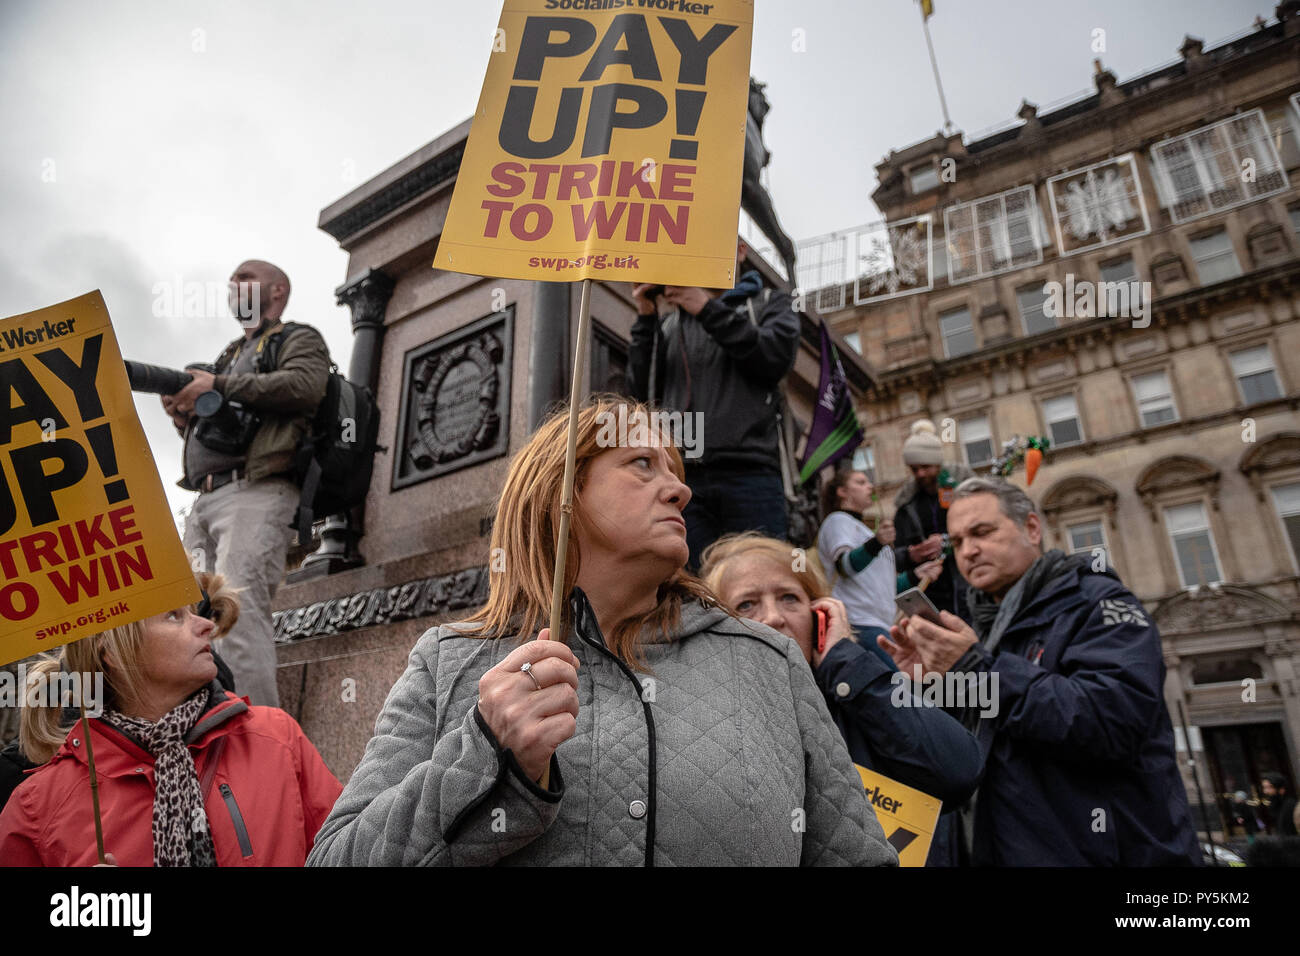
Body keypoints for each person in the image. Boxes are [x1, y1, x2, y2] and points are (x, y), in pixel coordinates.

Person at [306, 397, 896, 866]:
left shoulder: (768, 659)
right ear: (559, 491)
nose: (680, 488)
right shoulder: (449, 660)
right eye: (642, 464)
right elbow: (336, 858)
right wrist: (485, 753)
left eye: (675, 471)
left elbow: (859, 858)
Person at [882, 477, 1199, 866]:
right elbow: (963, 756)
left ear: (1032, 528)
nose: (970, 551)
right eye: (959, 542)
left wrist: (973, 668)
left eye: (982, 532)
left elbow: (1108, 723)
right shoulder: (975, 632)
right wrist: (931, 688)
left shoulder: (1099, 603)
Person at [0, 580, 342, 866]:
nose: (206, 625)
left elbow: (347, 852)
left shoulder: (277, 737)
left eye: (193, 611)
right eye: (174, 616)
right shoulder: (38, 806)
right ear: (114, 652)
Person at [699, 532, 981, 866]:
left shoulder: (858, 693)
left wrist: (845, 663)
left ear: (821, 615)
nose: (775, 618)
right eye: (747, 605)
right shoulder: (705, 727)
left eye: (790, 598)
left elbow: (958, 772)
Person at [163, 259, 330, 707]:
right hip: (205, 497)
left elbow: (305, 386)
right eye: (231, 280)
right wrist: (187, 412)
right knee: (189, 618)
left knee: (237, 615)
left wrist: (216, 384)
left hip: (257, 491)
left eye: (246, 277)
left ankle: (260, 743)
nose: (234, 285)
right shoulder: (231, 353)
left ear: (278, 290)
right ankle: (205, 723)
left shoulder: (298, 338)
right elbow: (227, 424)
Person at [627, 240, 801, 568]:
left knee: (758, 577)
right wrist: (646, 317)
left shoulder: (770, 302)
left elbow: (774, 359)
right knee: (689, 589)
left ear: (741, 251)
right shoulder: (670, 324)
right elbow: (639, 396)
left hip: (750, 474)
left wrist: (706, 309)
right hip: (682, 477)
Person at [817, 465, 944, 668]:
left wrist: (916, 574)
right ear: (842, 492)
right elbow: (846, 567)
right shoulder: (838, 521)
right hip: (859, 623)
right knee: (902, 692)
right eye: (861, 482)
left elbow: (888, 588)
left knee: (905, 690)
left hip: (881, 624)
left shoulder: (865, 531)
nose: (870, 486)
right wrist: (877, 542)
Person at [891, 420, 974, 621]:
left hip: (969, 586)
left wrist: (949, 541)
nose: (921, 474)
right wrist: (913, 555)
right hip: (930, 595)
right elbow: (893, 557)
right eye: (914, 469)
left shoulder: (963, 492)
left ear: (938, 464)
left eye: (926, 467)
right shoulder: (906, 507)